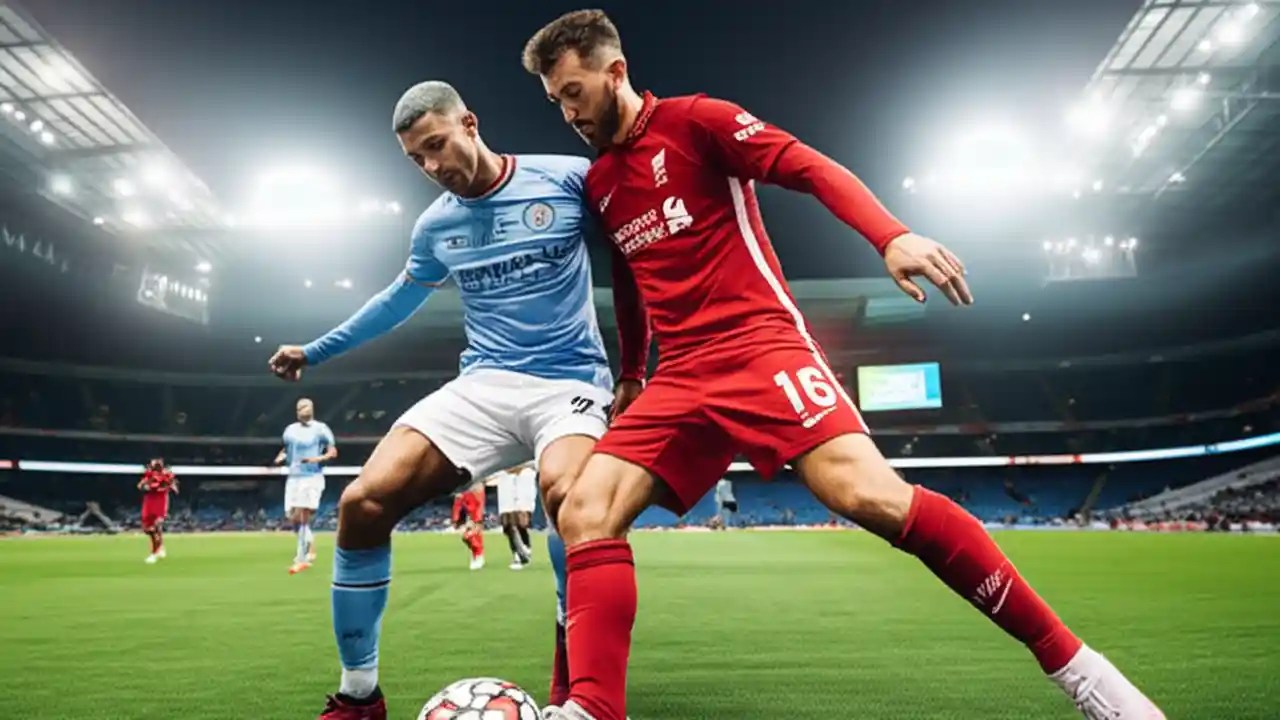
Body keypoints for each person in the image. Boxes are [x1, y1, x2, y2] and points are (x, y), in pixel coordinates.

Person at [521, 10, 1164, 720]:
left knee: (871, 498)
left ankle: (1085, 676)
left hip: (759, 346)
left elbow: (807, 165)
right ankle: (593, 709)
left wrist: (888, 236)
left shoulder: (698, 121)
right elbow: (632, 276)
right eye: (556, 102)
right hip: (679, 377)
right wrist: (633, 375)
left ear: (615, 71)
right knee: (584, 510)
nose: (568, 112)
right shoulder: (603, 184)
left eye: (574, 92)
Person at [266, 80, 615, 720]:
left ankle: (576, 674)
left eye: (435, 146)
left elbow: (639, 255)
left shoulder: (568, 179)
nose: (431, 168)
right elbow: (395, 303)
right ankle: (359, 695)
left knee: (569, 499)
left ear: (469, 124)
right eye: (415, 160)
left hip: (569, 382)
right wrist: (313, 351)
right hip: (483, 384)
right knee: (363, 503)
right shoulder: (437, 226)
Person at [274, 397, 338, 574]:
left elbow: (333, 452)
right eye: (300, 407)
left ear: (312, 409)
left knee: (302, 515)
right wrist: (281, 457)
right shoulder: (290, 430)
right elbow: (287, 449)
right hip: (293, 476)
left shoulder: (321, 429)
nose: (304, 409)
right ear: (296, 411)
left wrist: (316, 459)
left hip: (311, 477)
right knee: (292, 517)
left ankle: (300, 559)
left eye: (306, 406)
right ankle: (310, 546)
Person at [494, 462, 538, 569]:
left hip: (524, 474)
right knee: (507, 520)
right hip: (505, 476)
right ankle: (517, 553)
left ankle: (523, 550)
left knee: (521, 518)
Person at [137, 458, 177, 564]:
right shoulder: (148, 476)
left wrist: (166, 486)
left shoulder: (167, 476)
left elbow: (174, 488)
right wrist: (146, 487)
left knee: (156, 526)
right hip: (149, 503)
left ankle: (154, 553)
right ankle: (160, 547)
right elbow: (141, 486)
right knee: (148, 529)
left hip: (160, 503)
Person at [451, 483, 486, 570]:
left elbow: (479, 503)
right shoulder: (461, 492)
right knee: (466, 537)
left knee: (472, 535)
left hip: (475, 514)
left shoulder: (477, 490)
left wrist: (477, 518)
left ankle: (478, 555)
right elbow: (457, 504)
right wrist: (455, 519)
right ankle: (477, 554)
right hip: (465, 513)